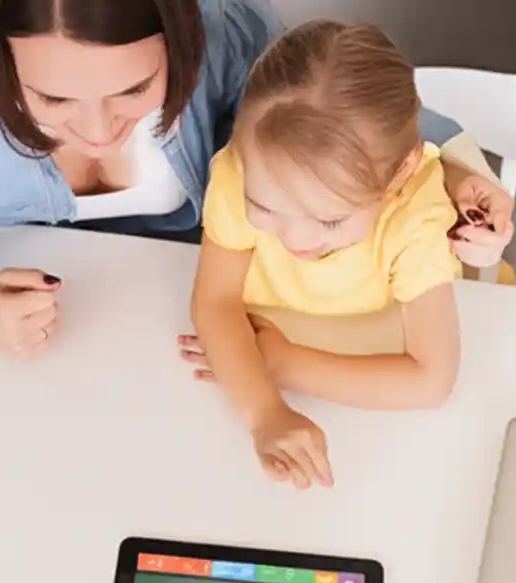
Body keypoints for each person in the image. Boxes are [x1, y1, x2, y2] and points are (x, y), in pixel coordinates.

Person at [0, 0, 514, 355]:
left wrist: (449, 163)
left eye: (136, 93)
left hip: (173, 321)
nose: (104, 130)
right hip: (0, 351)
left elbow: (315, 109)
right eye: (50, 99)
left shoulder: (220, 28)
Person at [179, 20, 463, 490]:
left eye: (330, 220)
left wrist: (283, 363)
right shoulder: (236, 173)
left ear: (399, 176)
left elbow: (432, 380)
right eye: (265, 206)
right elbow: (214, 302)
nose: (296, 238)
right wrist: (265, 411)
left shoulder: (416, 217)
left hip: (362, 363)